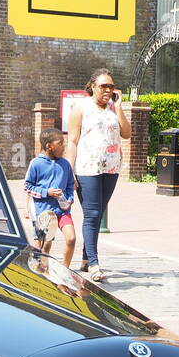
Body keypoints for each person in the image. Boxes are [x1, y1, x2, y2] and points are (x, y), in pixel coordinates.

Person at [66, 68, 129, 282]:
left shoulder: (113, 107)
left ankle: (85, 258)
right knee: (92, 214)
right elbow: (72, 141)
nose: (108, 90)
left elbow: (127, 133)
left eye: (111, 86)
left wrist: (119, 107)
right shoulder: (80, 108)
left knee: (98, 213)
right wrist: (69, 170)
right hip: (87, 168)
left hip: (111, 168)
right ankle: (94, 264)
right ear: (93, 86)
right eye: (103, 86)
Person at [24, 127, 76, 268]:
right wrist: (47, 192)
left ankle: (64, 272)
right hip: (43, 212)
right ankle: (40, 272)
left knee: (71, 238)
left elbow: (71, 185)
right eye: (60, 143)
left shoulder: (65, 164)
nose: (64, 147)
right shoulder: (36, 164)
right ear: (49, 146)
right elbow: (28, 187)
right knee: (44, 246)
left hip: (62, 211)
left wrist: (70, 199)